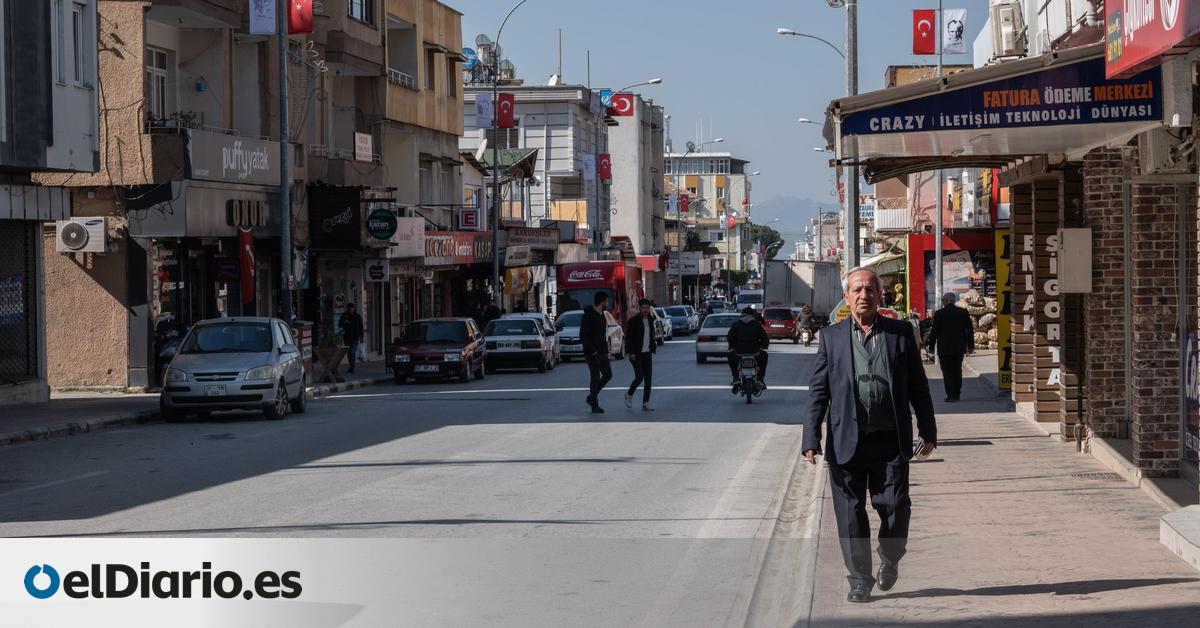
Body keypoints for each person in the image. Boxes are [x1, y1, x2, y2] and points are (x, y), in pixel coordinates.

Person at [802, 267, 937, 604]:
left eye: (870, 289)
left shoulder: (901, 333)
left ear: (881, 295)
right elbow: (818, 391)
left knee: (895, 506)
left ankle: (890, 558)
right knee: (849, 515)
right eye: (857, 290)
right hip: (846, 440)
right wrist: (810, 438)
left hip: (890, 439)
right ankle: (859, 579)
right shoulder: (830, 338)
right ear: (846, 298)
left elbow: (918, 386)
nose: (864, 295)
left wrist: (928, 428)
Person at [926, 292, 975, 402]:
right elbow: (969, 330)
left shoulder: (939, 314)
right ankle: (957, 394)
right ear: (953, 301)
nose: (943, 303)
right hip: (959, 347)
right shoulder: (963, 312)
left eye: (943, 300)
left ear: (946, 301)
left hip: (944, 348)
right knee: (957, 370)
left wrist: (931, 347)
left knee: (947, 372)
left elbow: (934, 331)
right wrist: (970, 345)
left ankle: (950, 395)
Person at [581, 292, 613, 414]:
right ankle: (594, 405)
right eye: (606, 301)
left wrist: (606, 351)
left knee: (608, 375)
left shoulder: (602, 315)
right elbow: (583, 336)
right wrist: (592, 351)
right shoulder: (588, 316)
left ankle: (591, 397)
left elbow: (602, 336)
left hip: (602, 352)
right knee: (595, 378)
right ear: (602, 302)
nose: (607, 304)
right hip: (592, 353)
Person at [623, 299, 657, 411]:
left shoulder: (651, 319)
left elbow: (652, 334)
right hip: (636, 354)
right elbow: (629, 338)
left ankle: (645, 403)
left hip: (647, 353)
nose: (646, 310)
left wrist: (653, 346)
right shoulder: (633, 321)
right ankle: (629, 395)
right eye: (643, 308)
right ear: (639, 308)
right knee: (639, 377)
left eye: (648, 308)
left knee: (648, 379)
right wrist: (631, 352)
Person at [727, 306, 770, 388]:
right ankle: (760, 379)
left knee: (730, 356)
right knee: (764, 355)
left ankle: (736, 378)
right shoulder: (757, 324)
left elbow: (730, 337)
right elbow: (764, 337)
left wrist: (732, 346)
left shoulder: (736, 324)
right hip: (755, 352)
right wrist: (765, 346)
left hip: (739, 352)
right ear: (752, 315)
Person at [338, 303, 365, 374]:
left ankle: (352, 367)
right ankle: (351, 366)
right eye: (349, 309)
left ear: (353, 309)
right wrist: (344, 322)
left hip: (355, 337)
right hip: (346, 337)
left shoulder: (357, 316)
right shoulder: (344, 316)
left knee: (352, 352)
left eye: (351, 309)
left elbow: (361, 327)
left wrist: (362, 337)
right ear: (347, 309)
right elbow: (339, 324)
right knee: (349, 353)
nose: (350, 310)